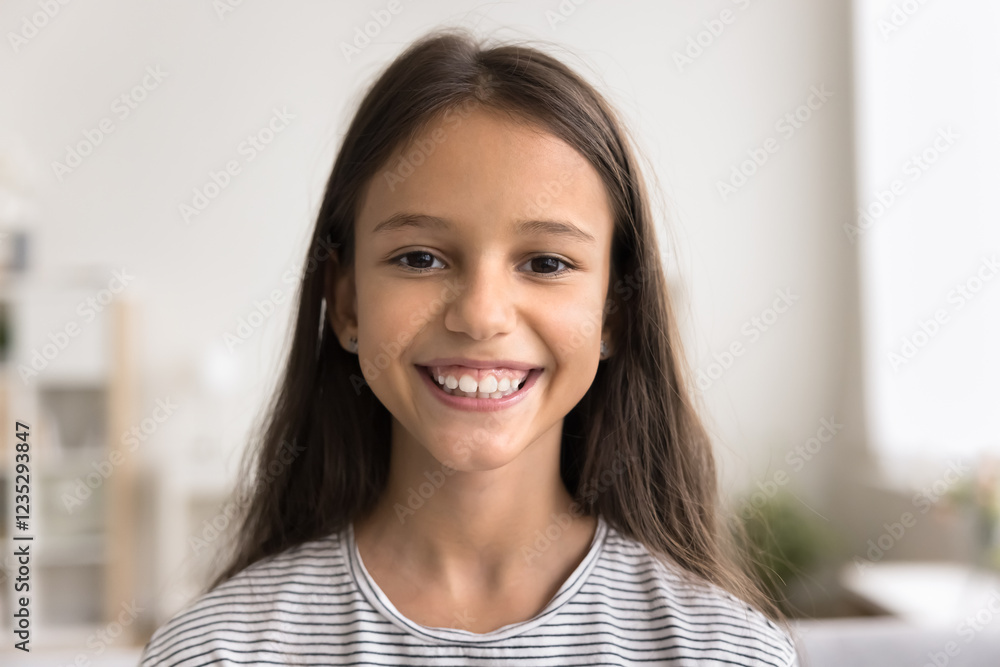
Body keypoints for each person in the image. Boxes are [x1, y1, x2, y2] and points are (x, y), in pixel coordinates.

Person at [140, 27, 799, 666]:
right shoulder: (216, 651)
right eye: (420, 257)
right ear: (345, 303)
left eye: (545, 262)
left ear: (614, 311)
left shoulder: (728, 652)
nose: (481, 315)